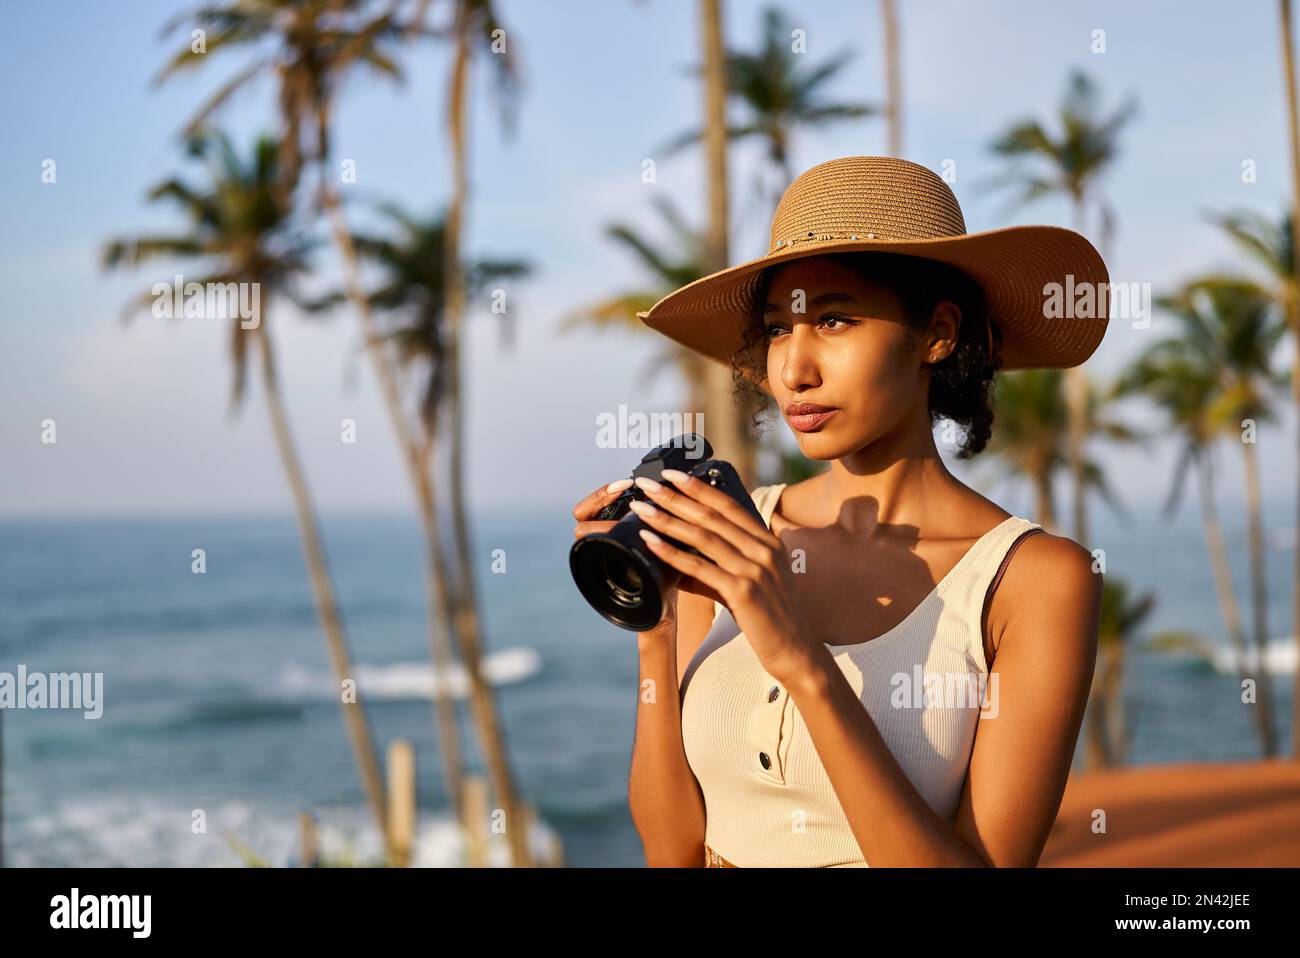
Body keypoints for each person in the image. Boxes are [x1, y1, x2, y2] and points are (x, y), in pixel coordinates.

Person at [571, 156, 1107, 867]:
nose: (793, 369)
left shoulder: (1031, 579)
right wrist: (654, 624)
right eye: (777, 330)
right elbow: (673, 850)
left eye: (833, 320)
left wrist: (802, 659)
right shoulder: (732, 533)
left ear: (937, 333)